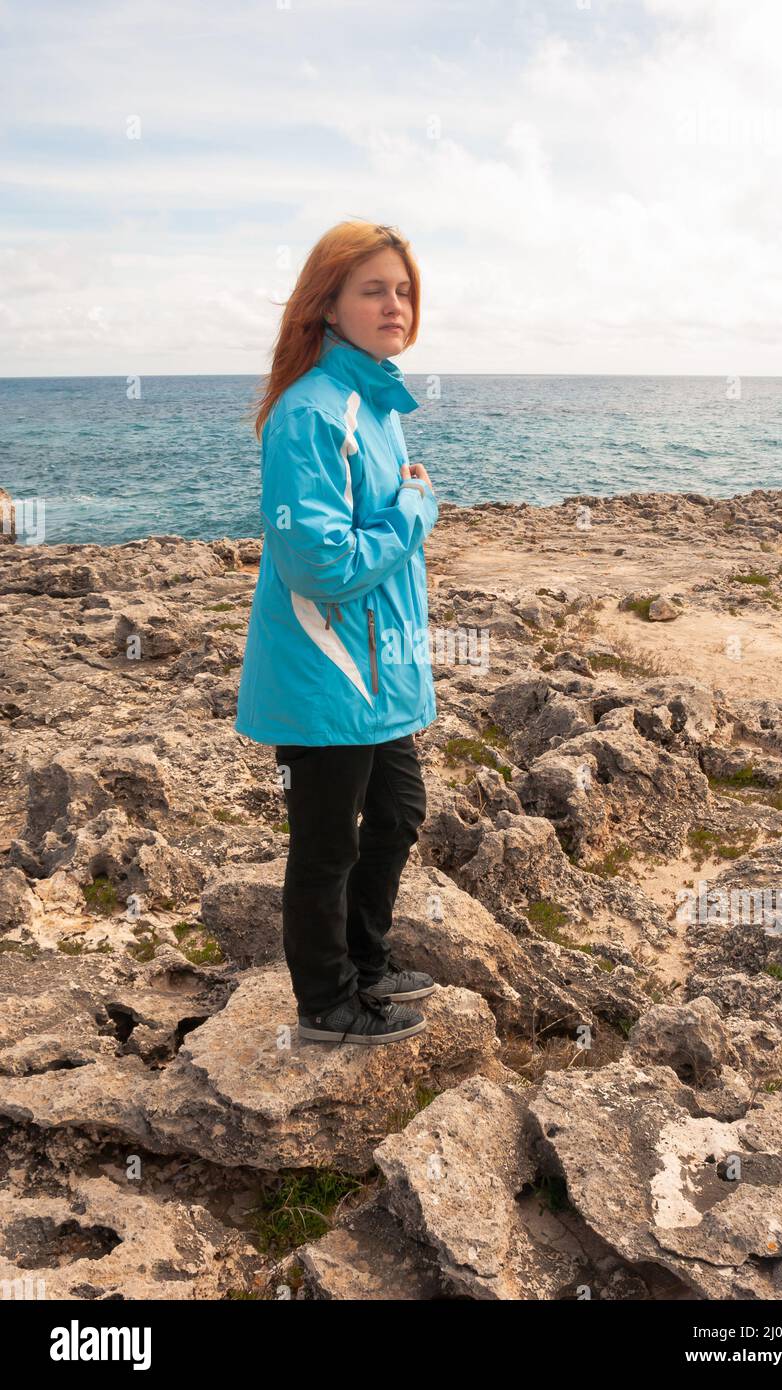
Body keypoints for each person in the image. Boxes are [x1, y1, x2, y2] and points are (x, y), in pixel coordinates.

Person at [235, 220, 439, 1046]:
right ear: (329, 303)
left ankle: (365, 957)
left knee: (398, 814)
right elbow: (322, 564)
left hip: (375, 673)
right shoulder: (312, 413)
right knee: (326, 846)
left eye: (403, 289)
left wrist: (403, 507)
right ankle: (325, 1002)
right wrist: (415, 508)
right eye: (373, 289)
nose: (395, 303)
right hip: (327, 674)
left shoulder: (374, 404)